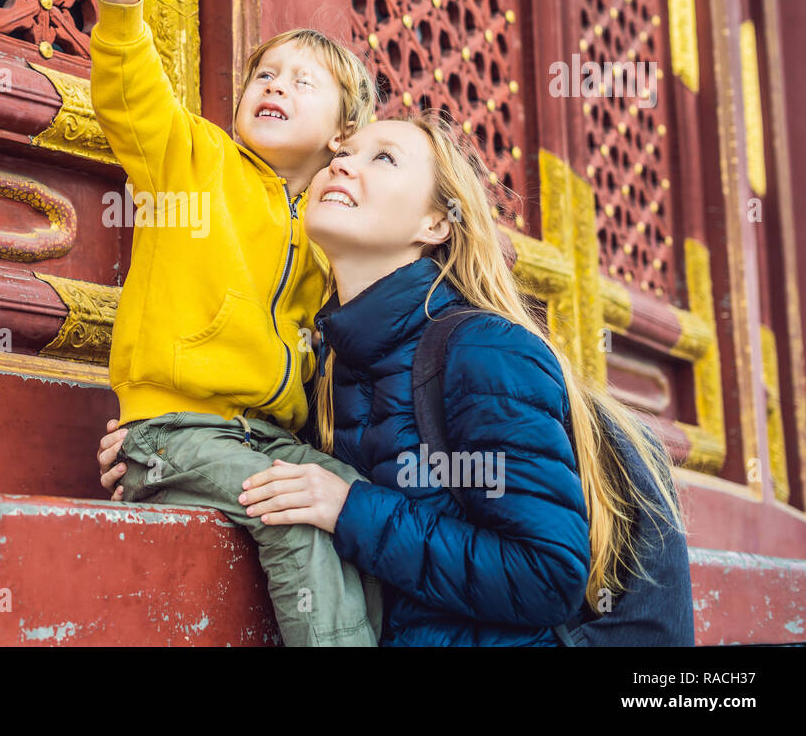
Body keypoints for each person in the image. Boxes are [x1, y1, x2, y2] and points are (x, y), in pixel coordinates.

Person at [234, 112, 688, 645]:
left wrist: (350, 509)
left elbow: (545, 575)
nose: (342, 166)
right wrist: (164, 441)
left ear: (435, 223)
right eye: (342, 154)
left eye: (382, 157)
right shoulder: (328, 363)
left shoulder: (483, 352)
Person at [79, 0, 381, 645]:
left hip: (266, 439)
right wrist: (121, 2)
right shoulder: (196, 160)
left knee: (359, 508)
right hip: (174, 433)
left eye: (299, 81)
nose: (273, 85)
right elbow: (134, 101)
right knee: (299, 516)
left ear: (343, 133)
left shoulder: (329, 229)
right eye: (263, 76)